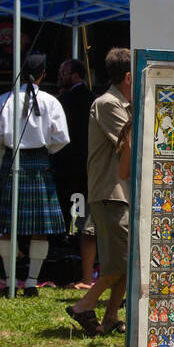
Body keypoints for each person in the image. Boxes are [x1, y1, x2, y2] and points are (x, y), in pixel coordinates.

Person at [0, 53, 70, 295]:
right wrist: (44, 149)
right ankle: (31, 282)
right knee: (39, 228)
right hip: (40, 163)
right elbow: (61, 138)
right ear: (43, 74)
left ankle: (11, 280)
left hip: (12, 160)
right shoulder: (51, 101)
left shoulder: (5, 99)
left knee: (7, 227)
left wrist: (9, 143)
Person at [67, 48, 132, 336]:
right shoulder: (108, 104)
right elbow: (129, 141)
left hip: (122, 192)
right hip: (111, 191)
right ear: (128, 77)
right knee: (120, 261)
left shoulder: (120, 103)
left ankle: (111, 316)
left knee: (128, 262)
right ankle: (84, 305)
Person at [53, 57, 96, 288]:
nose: (60, 75)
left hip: (66, 169)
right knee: (83, 219)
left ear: (76, 74)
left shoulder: (63, 101)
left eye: (64, 72)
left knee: (68, 217)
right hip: (88, 170)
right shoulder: (93, 99)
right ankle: (83, 265)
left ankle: (66, 259)